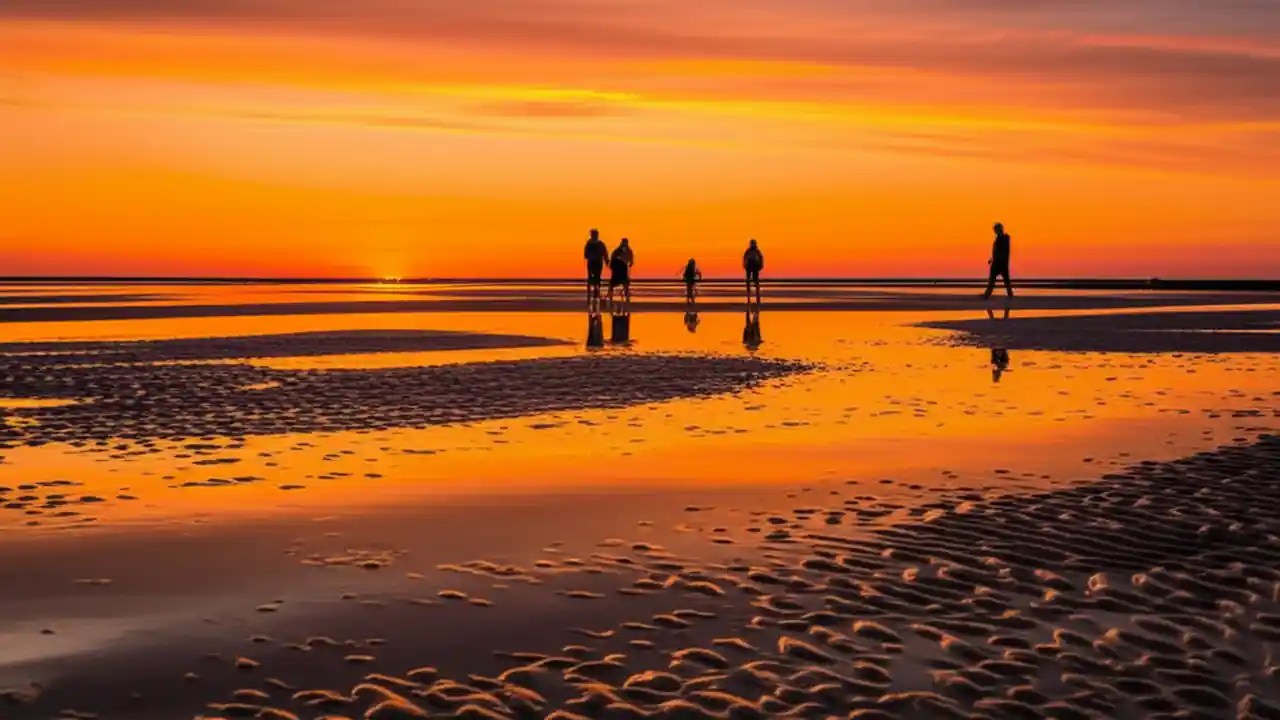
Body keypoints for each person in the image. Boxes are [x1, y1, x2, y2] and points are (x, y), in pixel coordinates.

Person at [983, 222, 1014, 299]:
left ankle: (988, 295)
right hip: (999, 262)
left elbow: (1002, 251)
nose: (995, 231)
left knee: (1004, 280)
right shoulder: (1000, 238)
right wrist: (992, 258)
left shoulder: (1003, 238)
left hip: (1001, 263)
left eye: (996, 229)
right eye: (994, 230)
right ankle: (987, 294)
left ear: (999, 229)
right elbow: (997, 251)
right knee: (993, 280)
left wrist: (996, 259)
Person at [583, 229, 609, 301]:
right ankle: (593, 289)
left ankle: (595, 289)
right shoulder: (590, 243)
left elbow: (605, 253)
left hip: (597, 262)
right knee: (592, 276)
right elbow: (586, 254)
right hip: (593, 261)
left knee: (596, 276)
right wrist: (606, 261)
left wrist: (607, 261)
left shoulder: (599, 243)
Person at [608, 237, 634, 307]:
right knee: (614, 282)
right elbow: (612, 259)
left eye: (625, 242)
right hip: (617, 268)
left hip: (623, 268)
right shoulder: (618, 250)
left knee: (624, 282)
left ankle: (626, 294)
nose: (624, 244)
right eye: (624, 242)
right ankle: (610, 296)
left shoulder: (628, 251)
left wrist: (630, 263)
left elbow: (631, 261)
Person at [743, 239, 764, 305]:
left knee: (756, 280)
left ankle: (757, 293)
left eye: (753, 243)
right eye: (752, 243)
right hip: (749, 267)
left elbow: (761, 259)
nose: (752, 245)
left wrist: (760, 266)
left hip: (755, 267)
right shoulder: (748, 251)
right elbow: (744, 259)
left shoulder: (757, 251)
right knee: (748, 280)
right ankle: (748, 293)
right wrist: (745, 265)